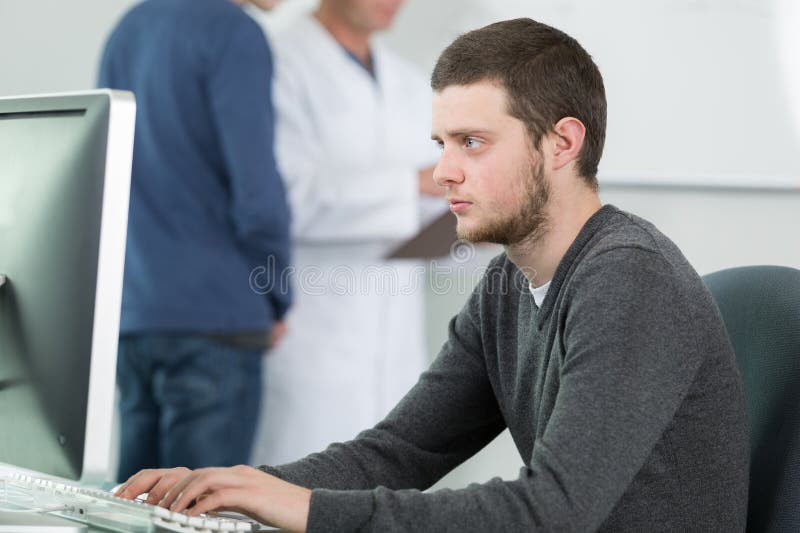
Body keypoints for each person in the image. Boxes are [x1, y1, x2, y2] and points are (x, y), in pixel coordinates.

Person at [114, 17, 750, 532]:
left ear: (561, 144)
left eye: (471, 143)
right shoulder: (506, 287)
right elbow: (395, 453)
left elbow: (552, 512)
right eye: (439, 144)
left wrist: (307, 510)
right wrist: (239, 486)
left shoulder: (628, 279)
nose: (444, 171)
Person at [97, 0, 291, 481]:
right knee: (202, 511)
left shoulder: (128, 28)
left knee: (135, 510)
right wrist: (276, 292)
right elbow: (258, 195)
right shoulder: (234, 31)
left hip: (136, 317)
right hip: (215, 319)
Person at [251, 0, 443, 465]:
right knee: (292, 498)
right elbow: (287, 197)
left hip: (397, 352)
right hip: (311, 344)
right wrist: (412, 185)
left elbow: (434, 205)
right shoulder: (277, 62)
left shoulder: (411, 83)